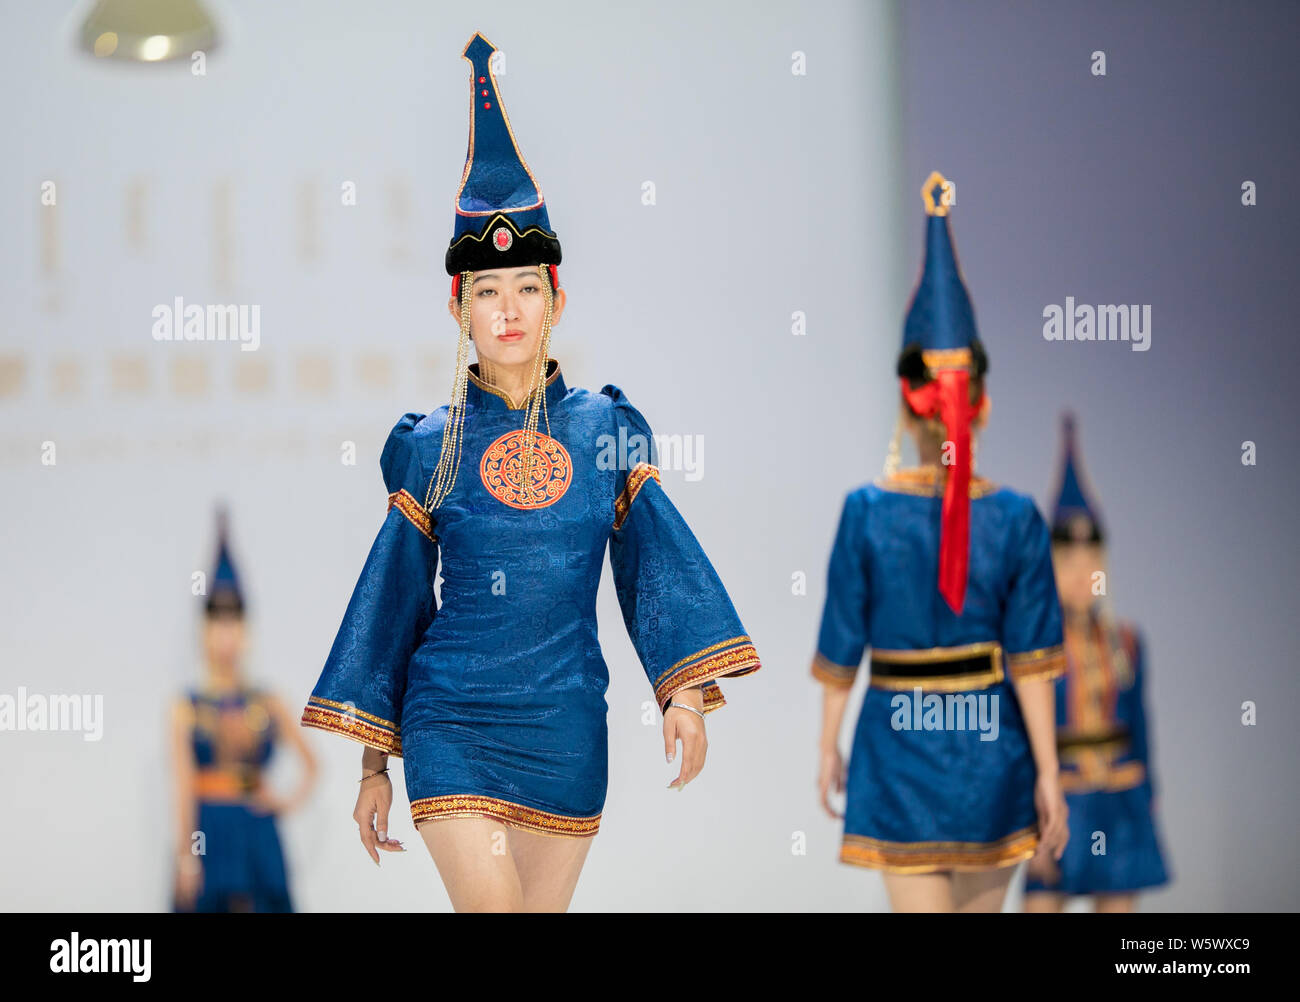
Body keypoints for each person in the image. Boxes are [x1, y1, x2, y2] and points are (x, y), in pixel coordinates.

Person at [301, 31, 761, 913]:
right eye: (486, 291)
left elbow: (654, 562)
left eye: (524, 288)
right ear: (458, 308)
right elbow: (394, 600)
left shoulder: (605, 431)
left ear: (556, 298)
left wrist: (686, 696)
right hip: (451, 721)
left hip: (565, 728)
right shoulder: (430, 442)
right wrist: (373, 765)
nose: (507, 310)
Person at [811, 172, 1070, 912]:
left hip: (896, 742)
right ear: (979, 407)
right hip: (992, 750)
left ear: (907, 400)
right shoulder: (1016, 517)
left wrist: (827, 744)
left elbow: (840, 646)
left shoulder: (865, 512)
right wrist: (1050, 772)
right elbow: (1031, 660)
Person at [1023, 415, 1170, 912]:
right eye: (1068, 561)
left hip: (1119, 801)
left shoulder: (1126, 642)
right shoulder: (1032, 646)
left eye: (1092, 560)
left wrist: (1149, 797)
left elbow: (1141, 727)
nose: (1082, 574)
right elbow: (1020, 735)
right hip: (1058, 801)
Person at [171, 507, 318, 912]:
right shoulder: (187, 708)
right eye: (217, 626)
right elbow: (183, 789)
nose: (226, 636)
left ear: (245, 631)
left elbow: (312, 764)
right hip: (210, 831)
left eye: (233, 625)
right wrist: (186, 857)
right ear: (204, 633)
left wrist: (284, 801)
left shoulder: (267, 702)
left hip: (257, 832)